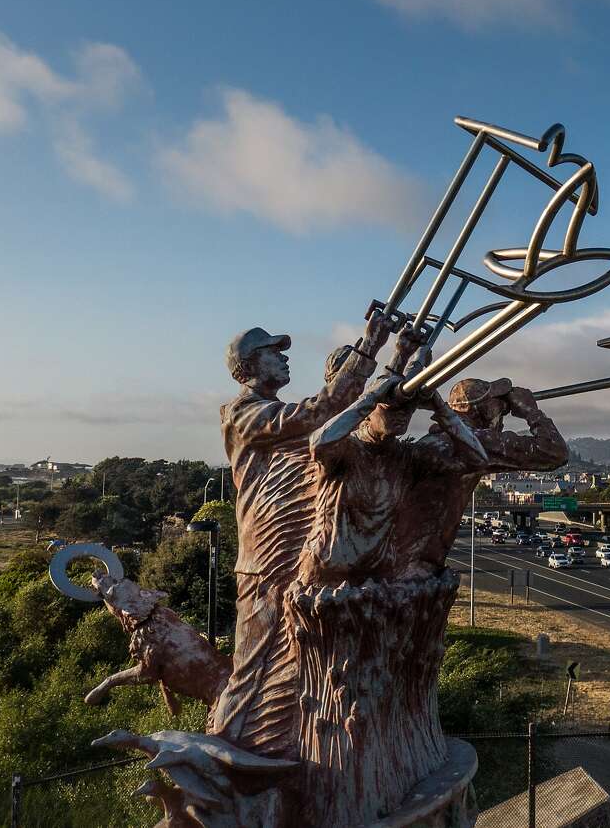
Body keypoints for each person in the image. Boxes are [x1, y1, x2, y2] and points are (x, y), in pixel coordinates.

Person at [210, 311, 391, 758]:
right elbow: (318, 413)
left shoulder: (268, 412)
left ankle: (278, 750)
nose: (285, 360)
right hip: (263, 558)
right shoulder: (243, 414)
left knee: (289, 659)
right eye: (275, 352)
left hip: (291, 551)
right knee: (254, 663)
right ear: (250, 364)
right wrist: (369, 351)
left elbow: (325, 422)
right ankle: (228, 757)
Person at [297, 329, 487, 585]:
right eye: (392, 407)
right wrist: (372, 396)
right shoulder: (347, 450)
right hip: (328, 576)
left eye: (408, 408)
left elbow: (478, 461)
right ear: (368, 410)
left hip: (377, 577)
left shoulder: (406, 458)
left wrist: (442, 409)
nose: (402, 414)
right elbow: (319, 442)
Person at [392, 377, 568, 579]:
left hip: (397, 559)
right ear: (482, 410)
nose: (502, 412)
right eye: (497, 405)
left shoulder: (431, 442)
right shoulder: (473, 441)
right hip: (415, 571)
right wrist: (531, 411)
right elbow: (555, 452)